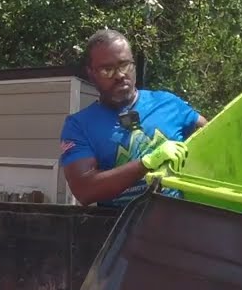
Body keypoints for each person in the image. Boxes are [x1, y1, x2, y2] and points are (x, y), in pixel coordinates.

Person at [60, 29, 208, 207]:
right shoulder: (79, 126)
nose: (120, 75)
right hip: (123, 230)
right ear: (91, 74)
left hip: (179, 225)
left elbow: (214, 137)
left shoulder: (168, 104)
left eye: (125, 65)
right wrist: (146, 163)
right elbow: (84, 190)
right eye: (107, 70)